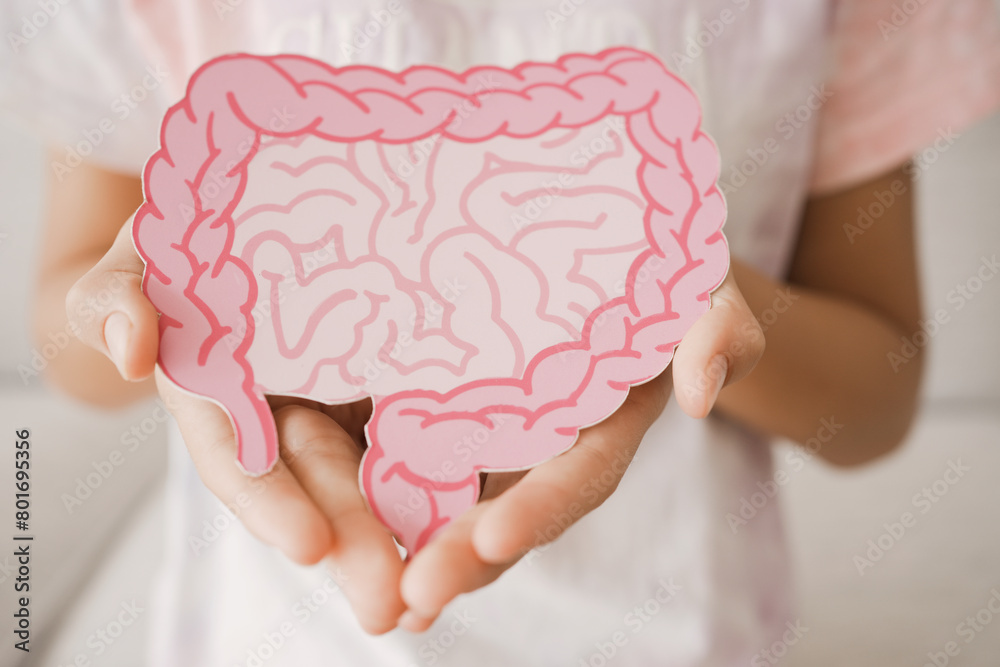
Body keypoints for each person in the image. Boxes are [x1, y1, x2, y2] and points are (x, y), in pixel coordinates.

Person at [7, 0, 999, 663]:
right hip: (281, 632)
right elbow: (72, 336)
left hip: (676, 630)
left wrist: (665, 290)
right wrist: (163, 301)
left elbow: (872, 404)